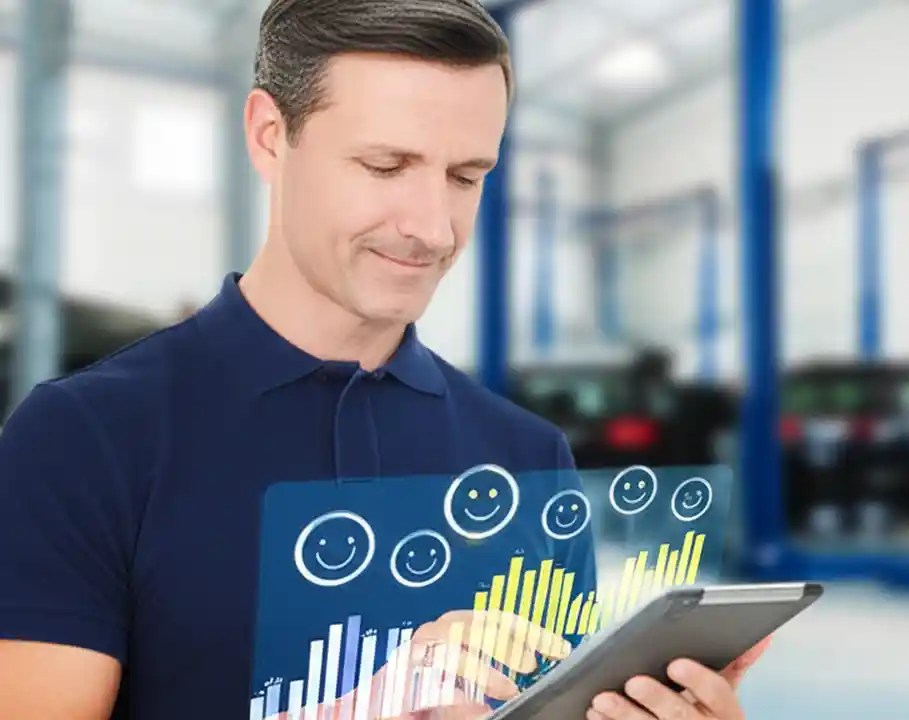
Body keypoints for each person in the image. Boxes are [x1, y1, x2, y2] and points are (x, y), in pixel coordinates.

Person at [0, 1, 768, 719]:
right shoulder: (83, 439)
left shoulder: (528, 456)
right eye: (385, 166)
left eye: (466, 177)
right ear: (271, 134)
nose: (432, 228)